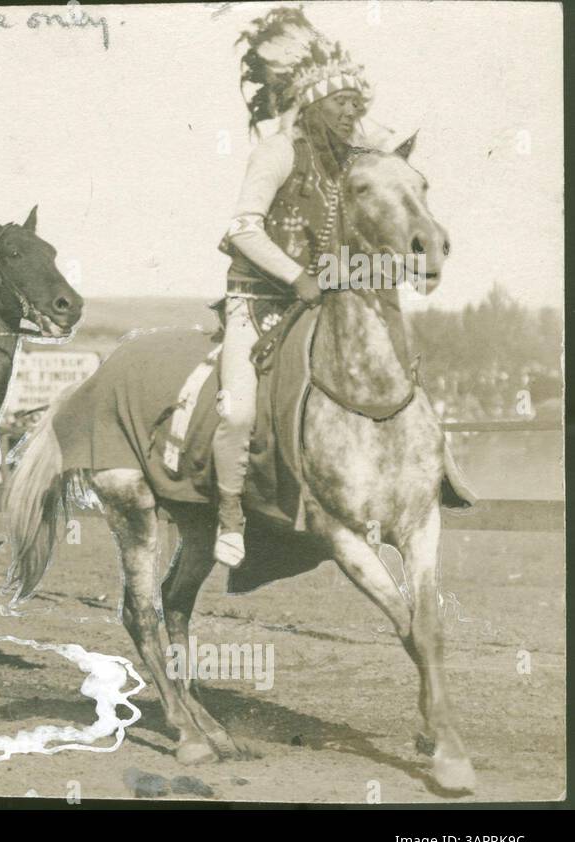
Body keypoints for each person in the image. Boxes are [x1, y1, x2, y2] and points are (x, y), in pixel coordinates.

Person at [212, 8, 377, 568]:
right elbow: (242, 227)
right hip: (255, 307)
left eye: (359, 105)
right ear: (312, 104)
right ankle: (230, 510)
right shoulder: (278, 151)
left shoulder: (351, 166)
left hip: (321, 310)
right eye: (342, 104)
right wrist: (296, 276)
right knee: (237, 412)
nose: (353, 114)